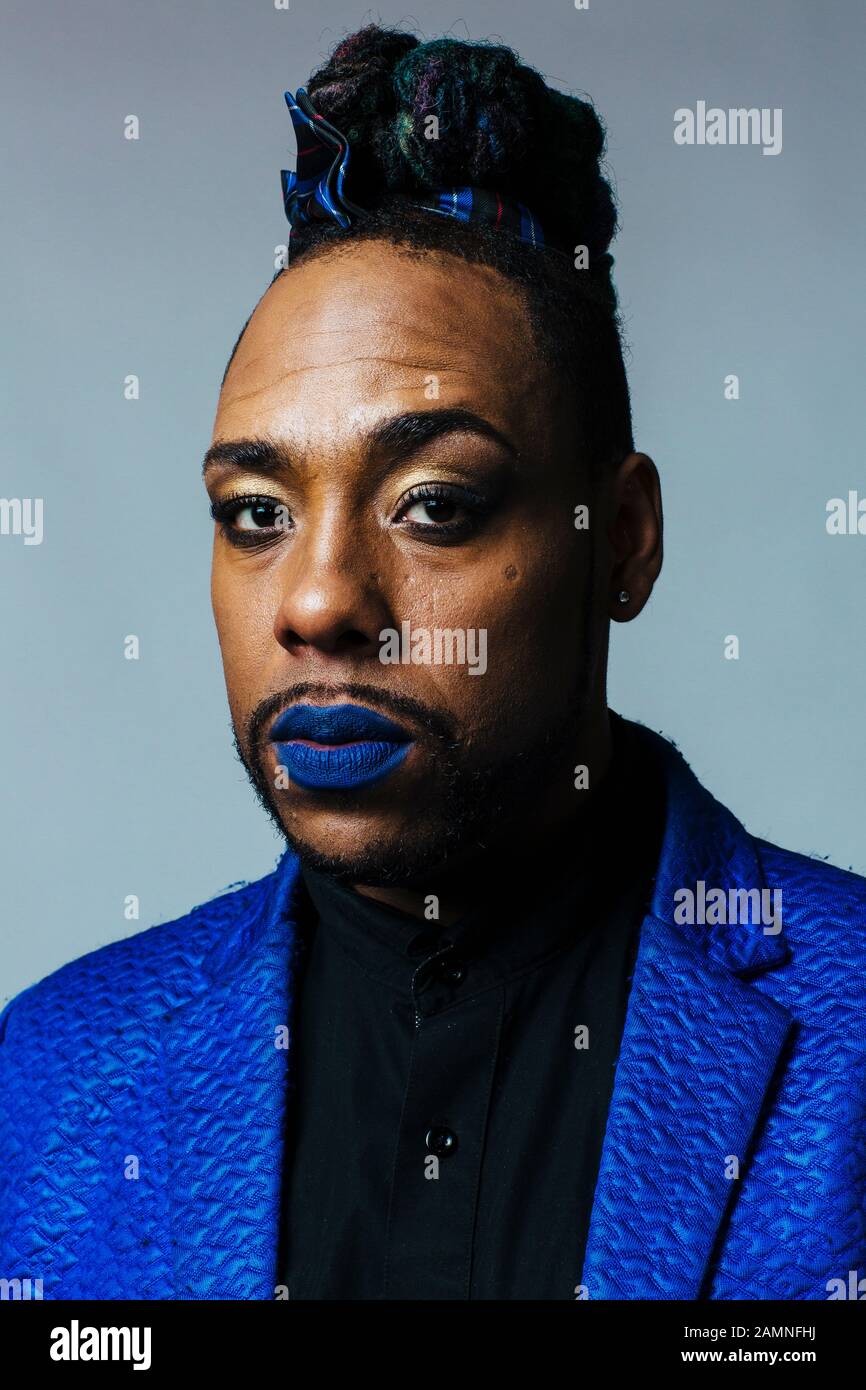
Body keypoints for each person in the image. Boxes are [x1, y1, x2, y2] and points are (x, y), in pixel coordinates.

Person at [1, 24, 864, 1302]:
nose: (317, 602)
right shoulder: (53, 1077)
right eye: (255, 512)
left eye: (434, 503)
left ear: (619, 542)